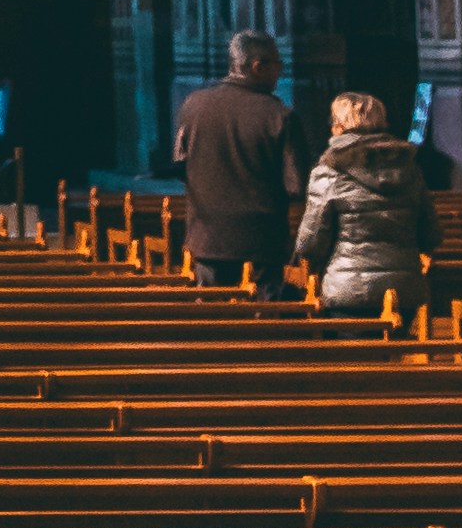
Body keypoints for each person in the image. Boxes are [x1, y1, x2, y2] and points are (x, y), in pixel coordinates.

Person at [295, 88, 440, 320]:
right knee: (396, 344)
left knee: (353, 345)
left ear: (339, 126)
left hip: (348, 291)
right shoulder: (409, 168)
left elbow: (310, 244)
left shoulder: (329, 170)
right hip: (404, 290)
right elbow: (431, 234)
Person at [174, 29, 295, 287]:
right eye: (277, 64)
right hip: (263, 243)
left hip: (207, 238)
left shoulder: (193, 105)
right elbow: (295, 184)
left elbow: (180, 166)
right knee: (264, 312)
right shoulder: (279, 115)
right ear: (257, 66)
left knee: (213, 310)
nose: (279, 72)